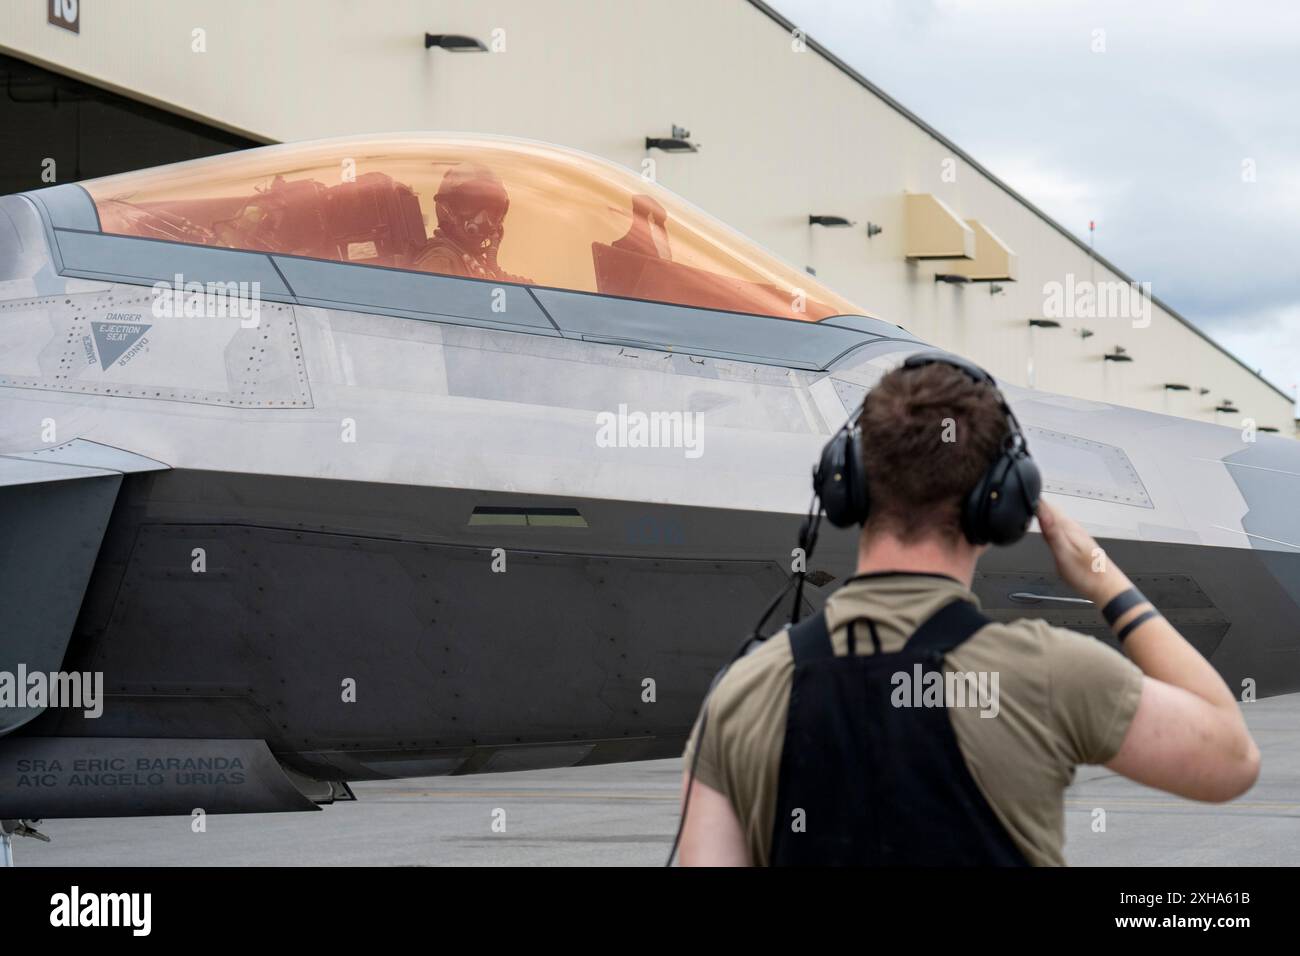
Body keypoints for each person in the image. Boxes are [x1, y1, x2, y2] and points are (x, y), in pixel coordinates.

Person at [678, 355, 1261, 866]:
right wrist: (1103, 578)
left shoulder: (742, 697)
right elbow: (1231, 759)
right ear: (1001, 505)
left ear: (846, 486)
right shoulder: (1046, 675)